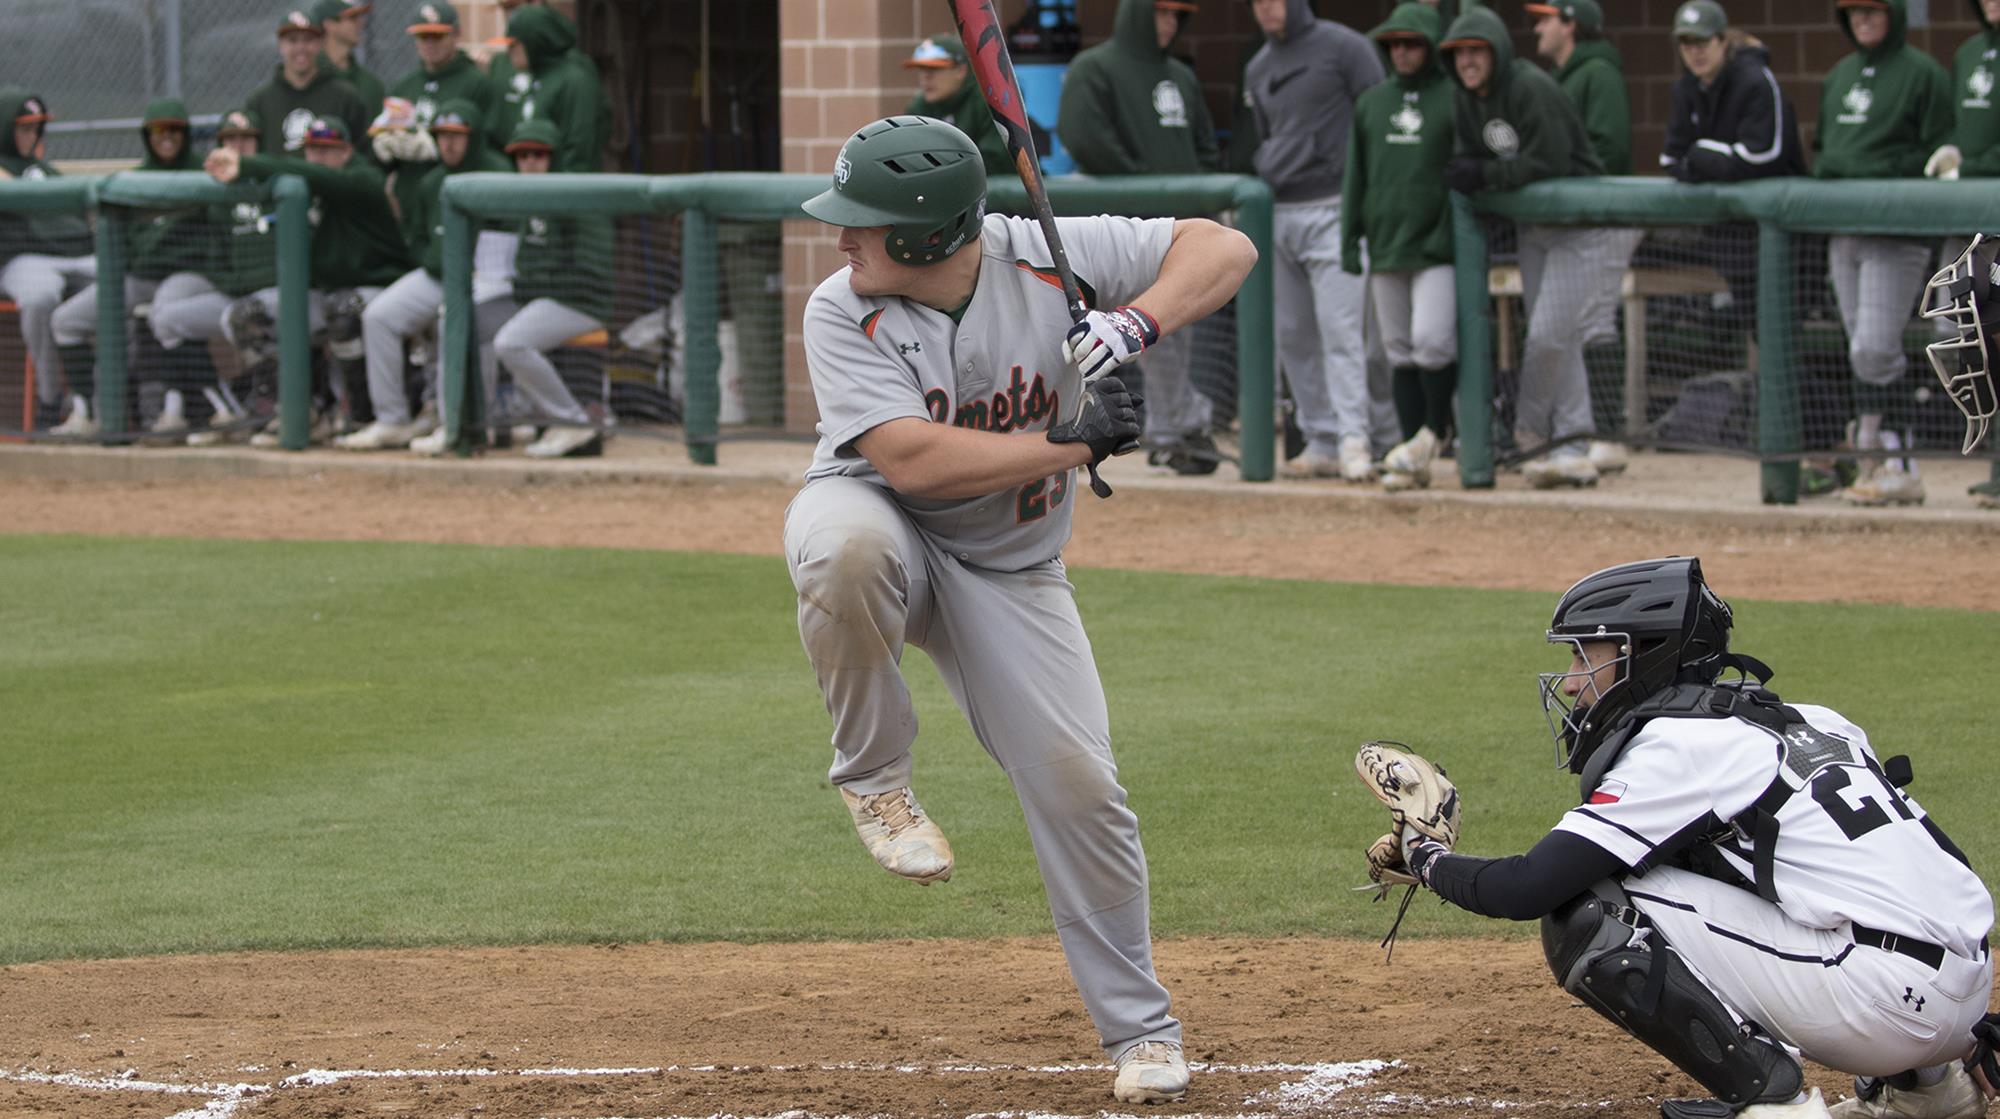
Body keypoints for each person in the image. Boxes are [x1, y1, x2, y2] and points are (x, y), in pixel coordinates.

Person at [786, 115, 1255, 1104]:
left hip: (1012, 572)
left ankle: (1142, 1034)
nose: (838, 241)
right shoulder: (840, 309)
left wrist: (1134, 323)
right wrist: (1077, 445)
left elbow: (1224, 246)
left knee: (1080, 788)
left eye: (858, 224)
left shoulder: (1051, 257)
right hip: (888, 525)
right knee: (841, 548)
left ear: (923, 236)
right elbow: (913, 461)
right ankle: (875, 781)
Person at [1374, 556, 1995, 1119]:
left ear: (1643, 654)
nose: (1570, 681)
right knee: (1754, 874)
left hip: (1880, 1006)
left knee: (1591, 906)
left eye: (1587, 654)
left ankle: (1776, 1109)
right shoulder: (1816, 721)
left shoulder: (1680, 747)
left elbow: (1530, 887)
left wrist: (1426, 857)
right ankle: (1932, 1092)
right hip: (1968, 996)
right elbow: (1928, 859)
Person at [1439, 6, 1608, 489]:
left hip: (1578, 222)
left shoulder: (1530, 86)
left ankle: (1532, 434)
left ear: (1496, 52)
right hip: (1533, 228)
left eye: (1477, 51)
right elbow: (1466, 155)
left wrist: (1487, 176)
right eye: (1460, 54)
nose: (1468, 61)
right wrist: (1473, 171)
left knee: (1551, 335)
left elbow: (1548, 160)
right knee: (1556, 335)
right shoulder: (1464, 98)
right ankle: (1572, 446)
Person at [1058, 0, 1222, 475]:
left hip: (1183, 230)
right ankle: (1175, 430)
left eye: (1178, 16)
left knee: (1177, 338)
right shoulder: (1094, 67)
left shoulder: (1181, 75)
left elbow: (1205, 145)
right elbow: (1083, 135)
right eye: (1162, 13)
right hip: (1124, 231)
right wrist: (1144, 183)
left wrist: (1197, 191)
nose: (1170, 23)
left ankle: (1180, 428)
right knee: (1148, 337)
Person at [1812, 0, 1951, 506]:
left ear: (1893, 13)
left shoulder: (1924, 73)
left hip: (1897, 231)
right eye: (1853, 12)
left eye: (1873, 9)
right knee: (1859, 349)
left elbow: (1939, 153)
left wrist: (1883, 170)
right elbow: (1825, 149)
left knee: (1874, 347)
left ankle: (1901, 462)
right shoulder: (1839, 75)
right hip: (1844, 230)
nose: (1863, 19)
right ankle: (1874, 455)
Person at [1244, 0, 1386, 481]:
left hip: (1335, 206)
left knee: (1342, 330)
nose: (1266, 8)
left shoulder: (1346, 46)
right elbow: (1263, 137)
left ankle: (1355, 438)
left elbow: (1379, 122)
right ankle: (1321, 438)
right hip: (1279, 210)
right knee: (1292, 333)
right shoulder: (1257, 67)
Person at [205, 115, 410, 445]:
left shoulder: (362, 179)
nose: (317, 158)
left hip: (377, 288)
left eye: (327, 150)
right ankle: (298, 411)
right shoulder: (305, 187)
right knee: (246, 316)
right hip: (323, 294)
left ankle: (360, 416)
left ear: (345, 151)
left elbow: (317, 176)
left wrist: (246, 163)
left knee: (343, 310)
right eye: (312, 150)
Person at [340, 100, 510, 451]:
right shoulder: (431, 180)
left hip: (486, 279)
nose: (449, 144)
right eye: (442, 136)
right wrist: (431, 259)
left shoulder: (497, 172)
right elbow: (415, 238)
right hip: (437, 275)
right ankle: (392, 420)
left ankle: (459, 424)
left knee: (456, 322)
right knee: (379, 316)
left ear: (473, 137)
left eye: (457, 136)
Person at [1342, 2, 1456, 491]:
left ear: (1430, 47)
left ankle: (1437, 434)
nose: (1404, 52)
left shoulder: (1452, 97)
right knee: (1398, 350)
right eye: (1396, 44)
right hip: (1386, 243)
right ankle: (1414, 451)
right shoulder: (1372, 101)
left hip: (1437, 243)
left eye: (1413, 43)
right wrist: (1350, 237)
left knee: (1432, 341)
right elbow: (1356, 176)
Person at [47, 98, 204, 440]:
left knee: (166, 314)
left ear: (186, 134)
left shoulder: (201, 173)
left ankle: (173, 413)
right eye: (159, 130)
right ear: (147, 135)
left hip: (186, 278)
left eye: (175, 130)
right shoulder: (134, 180)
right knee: (65, 320)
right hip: (138, 277)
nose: (167, 137)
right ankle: (86, 412)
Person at [1526, 0, 1638, 476]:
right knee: (1576, 325)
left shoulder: (1598, 73)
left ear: (1571, 24)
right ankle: (1591, 433)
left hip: (1605, 213)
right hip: (1578, 220)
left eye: (1546, 19)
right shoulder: (1567, 75)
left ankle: (1609, 436)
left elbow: (1609, 148)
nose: (1537, 29)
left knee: (1593, 322)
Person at [478, 119, 612, 459]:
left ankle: (573, 423)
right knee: (471, 320)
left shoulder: (573, 195)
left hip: (580, 303)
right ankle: (473, 424)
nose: (530, 163)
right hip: (540, 298)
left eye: (538, 155)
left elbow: (590, 270)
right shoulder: (528, 199)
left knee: (512, 342)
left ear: (554, 158)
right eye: (522, 157)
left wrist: (538, 282)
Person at [153, 109, 273, 446]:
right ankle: (226, 410)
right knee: (166, 320)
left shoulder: (277, 181)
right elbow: (215, 257)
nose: (238, 145)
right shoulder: (212, 192)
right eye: (230, 139)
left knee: (248, 316)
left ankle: (277, 410)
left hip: (273, 294)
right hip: (232, 292)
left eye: (246, 138)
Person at [0, 89, 97, 435]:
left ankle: (112, 392)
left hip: (77, 255)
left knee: (118, 286)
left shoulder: (45, 171)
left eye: (35, 129)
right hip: (25, 260)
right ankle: (49, 398)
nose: (30, 136)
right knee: (40, 299)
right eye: (22, 128)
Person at [377, 3, 502, 249]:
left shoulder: (476, 82)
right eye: (423, 36)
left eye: (438, 35)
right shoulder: (404, 86)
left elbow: (489, 142)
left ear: (456, 35)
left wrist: (437, 146)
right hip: (410, 197)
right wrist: (386, 146)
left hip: (455, 197)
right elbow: (386, 156)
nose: (430, 43)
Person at [243, 8, 372, 159]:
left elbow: (362, 155)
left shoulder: (345, 96)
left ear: (321, 43)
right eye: (292, 40)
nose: (300, 48)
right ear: (280, 45)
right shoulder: (260, 100)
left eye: (308, 40)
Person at [501, 5, 608, 171]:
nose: (509, 52)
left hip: (564, 189)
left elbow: (579, 149)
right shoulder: (537, 77)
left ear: (535, 43)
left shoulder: (574, 80)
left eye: (514, 45)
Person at [901, 34, 1010, 176]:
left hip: (1007, 192)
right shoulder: (918, 107)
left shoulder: (989, 100)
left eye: (934, 69)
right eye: (921, 69)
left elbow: (996, 163)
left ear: (961, 70)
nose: (925, 77)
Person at [313, 0, 386, 119]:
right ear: (329, 24)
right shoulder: (307, 78)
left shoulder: (371, 85)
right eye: (352, 18)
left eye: (360, 17)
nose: (361, 23)